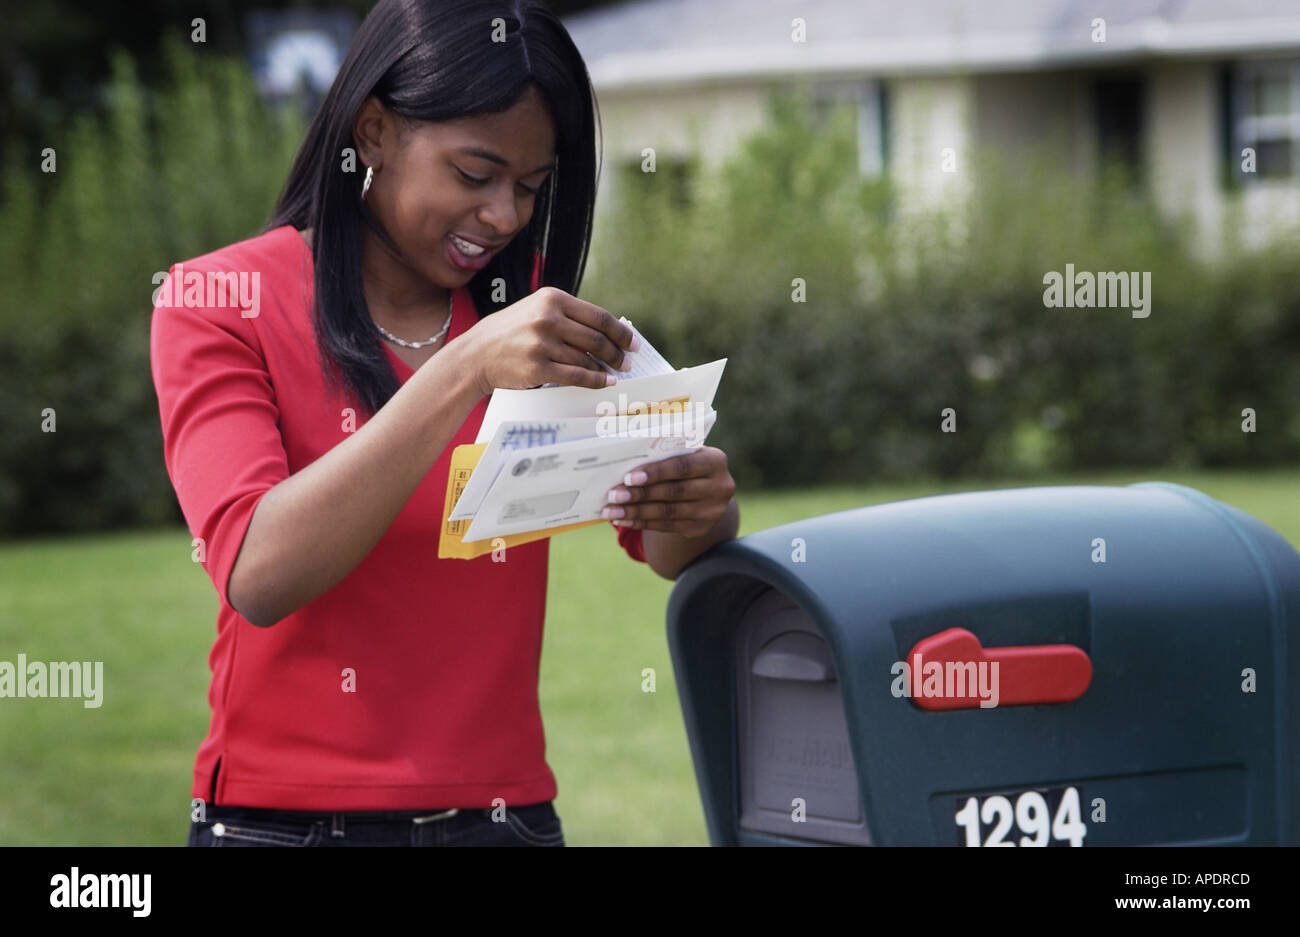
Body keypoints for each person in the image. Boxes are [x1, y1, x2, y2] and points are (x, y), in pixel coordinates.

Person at [149, 0, 739, 847]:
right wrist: (464, 370)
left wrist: (702, 504)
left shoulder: (523, 315)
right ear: (376, 131)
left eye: (530, 189)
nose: (504, 215)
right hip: (286, 825)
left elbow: (661, 544)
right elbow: (257, 570)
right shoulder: (220, 302)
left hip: (505, 819)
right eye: (475, 174)